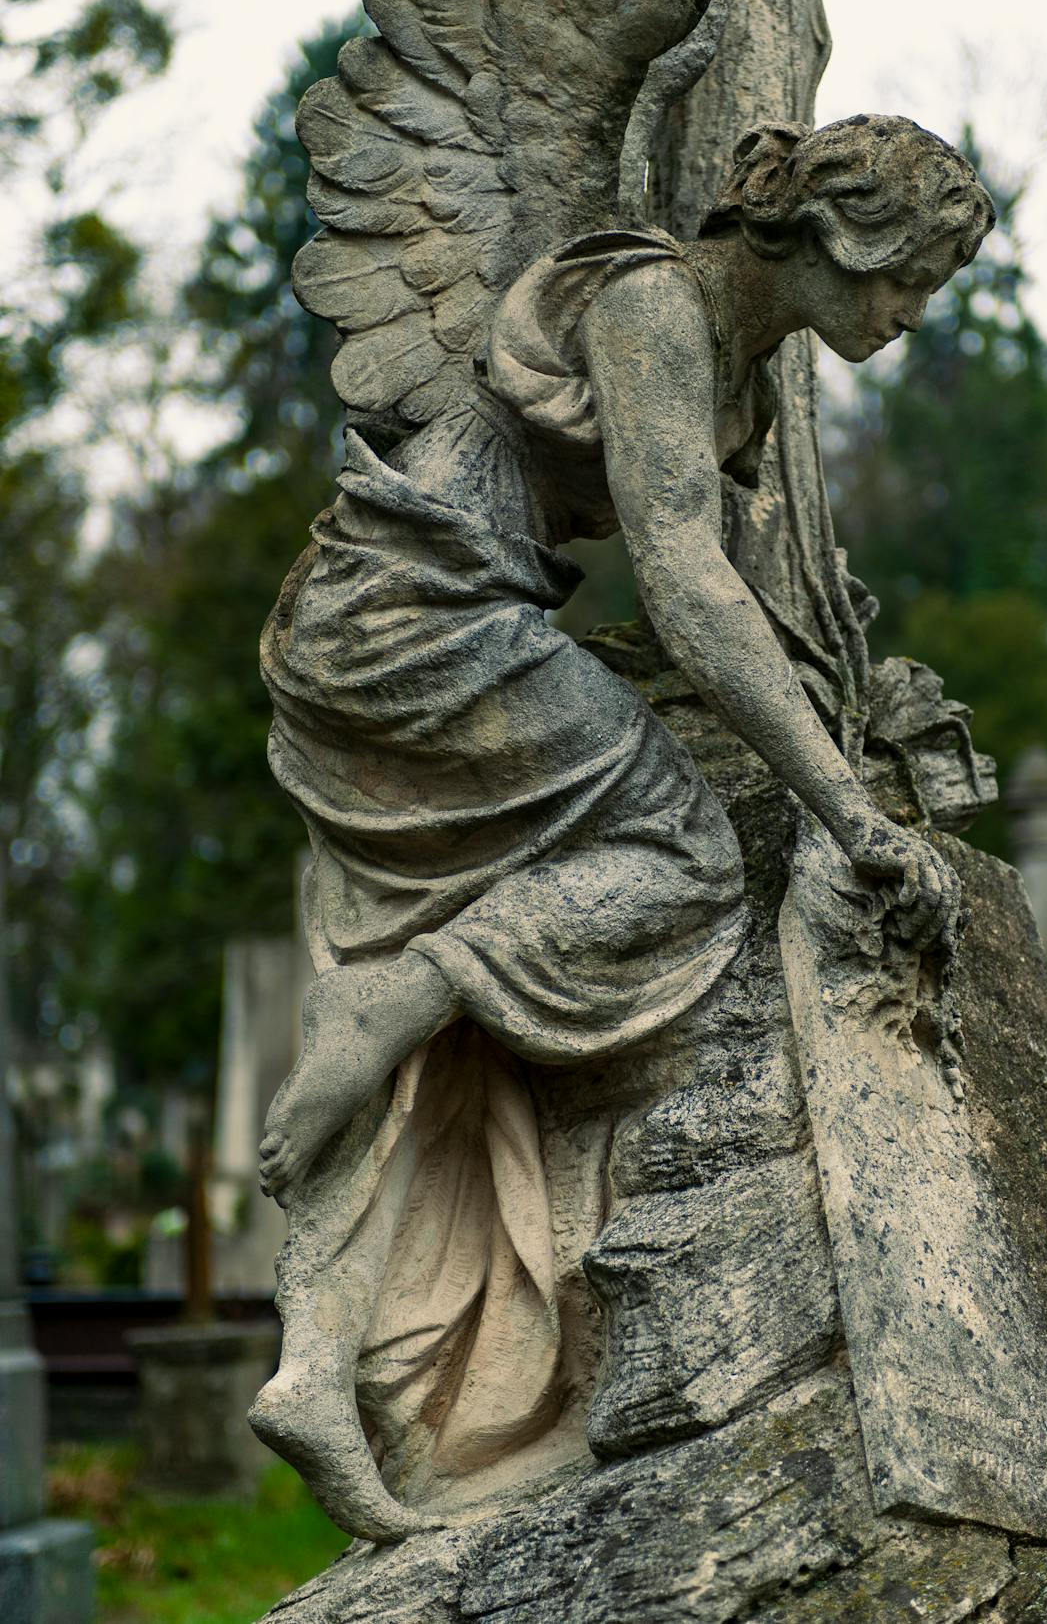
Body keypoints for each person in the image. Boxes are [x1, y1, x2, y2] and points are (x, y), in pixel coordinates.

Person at [251, 114, 995, 1541]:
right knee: (682, 856)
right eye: (909, 281)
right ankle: (407, 995)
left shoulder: (740, 365)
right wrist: (850, 817)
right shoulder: (656, 301)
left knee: (446, 1061)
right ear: (843, 234)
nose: (908, 317)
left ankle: (315, 1369)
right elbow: (686, 578)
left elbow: (710, 602)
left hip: (427, 617)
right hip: (412, 619)